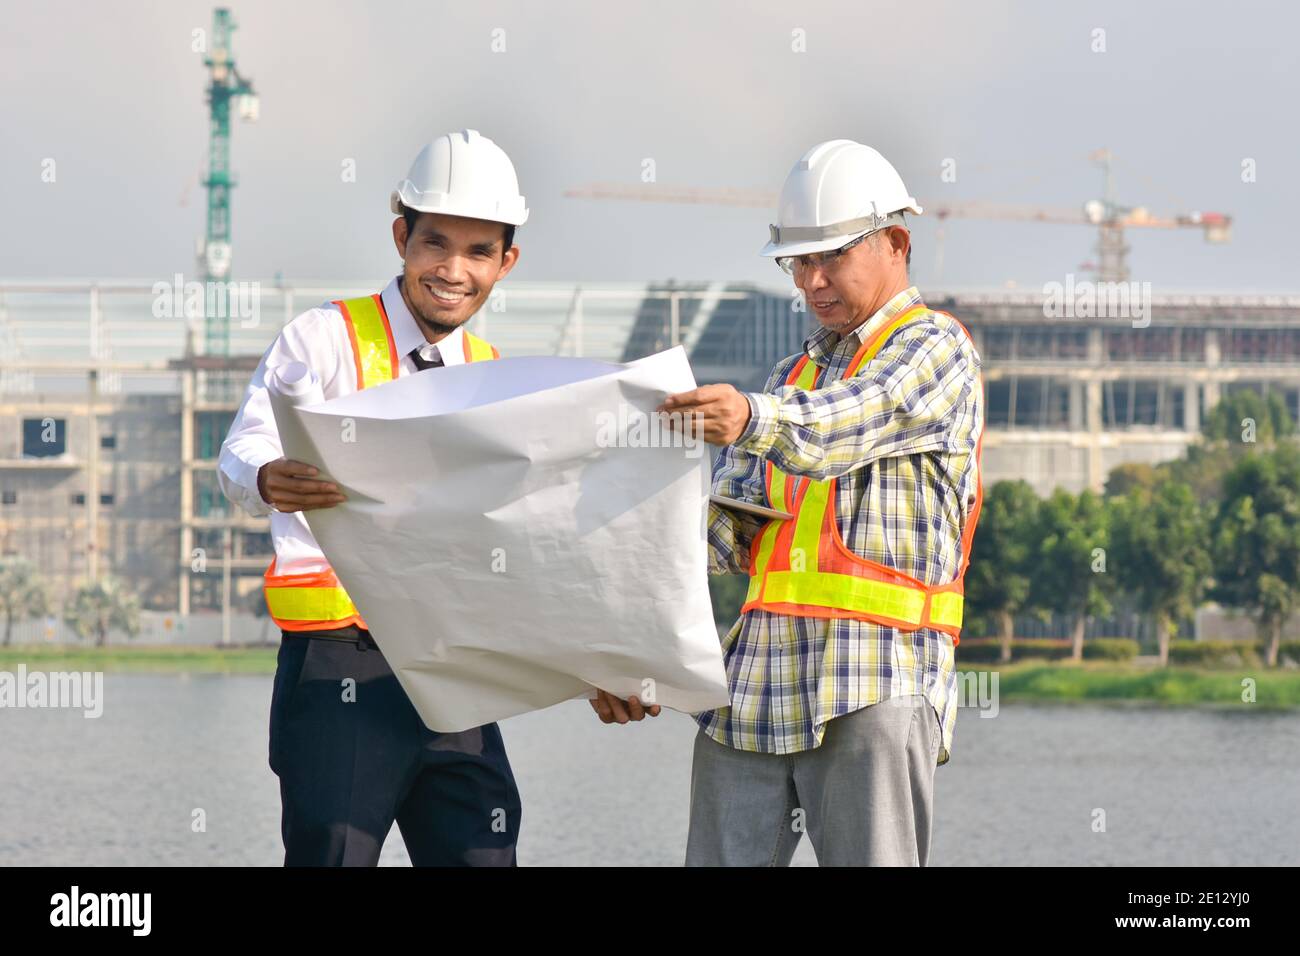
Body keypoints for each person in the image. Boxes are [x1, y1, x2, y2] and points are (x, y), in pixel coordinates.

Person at [597, 139, 984, 867]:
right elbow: (718, 535)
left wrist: (750, 417)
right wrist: (618, 634)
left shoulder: (936, 351)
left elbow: (851, 423)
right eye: (797, 263)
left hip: (873, 680)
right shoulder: (792, 374)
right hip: (751, 691)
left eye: (829, 257)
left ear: (897, 242)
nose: (811, 281)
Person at [219, 129, 526, 866]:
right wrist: (266, 476)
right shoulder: (323, 338)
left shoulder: (492, 373)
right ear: (401, 237)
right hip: (340, 667)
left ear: (505, 263)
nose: (454, 271)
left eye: (479, 252)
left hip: (454, 672)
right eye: (436, 244)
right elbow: (243, 445)